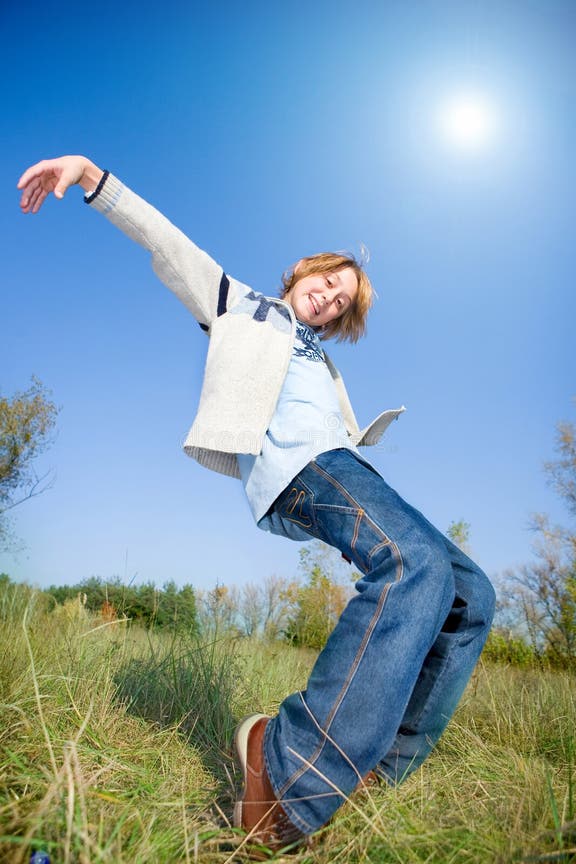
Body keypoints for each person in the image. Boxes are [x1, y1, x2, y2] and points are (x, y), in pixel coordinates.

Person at [18, 156, 496, 854]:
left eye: (343, 301)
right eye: (329, 281)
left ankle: (371, 782)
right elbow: (168, 243)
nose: (332, 297)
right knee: (411, 562)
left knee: (469, 594)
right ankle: (288, 767)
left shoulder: (324, 365)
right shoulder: (242, 305)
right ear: (302, 271)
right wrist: (95, 181)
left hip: (344, 468)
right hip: (302, 469)